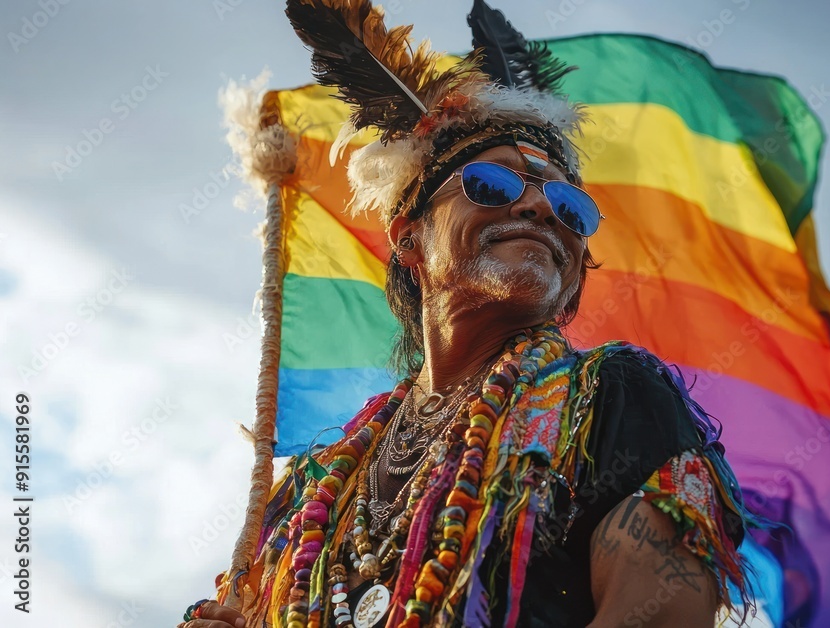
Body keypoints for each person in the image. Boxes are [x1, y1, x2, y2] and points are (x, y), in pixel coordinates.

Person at [180, 1, 753, 626]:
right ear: (409, 239)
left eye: (570, 206)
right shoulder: (311, 495)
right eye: (494, 185)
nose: (539, 208)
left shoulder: (610, 399)